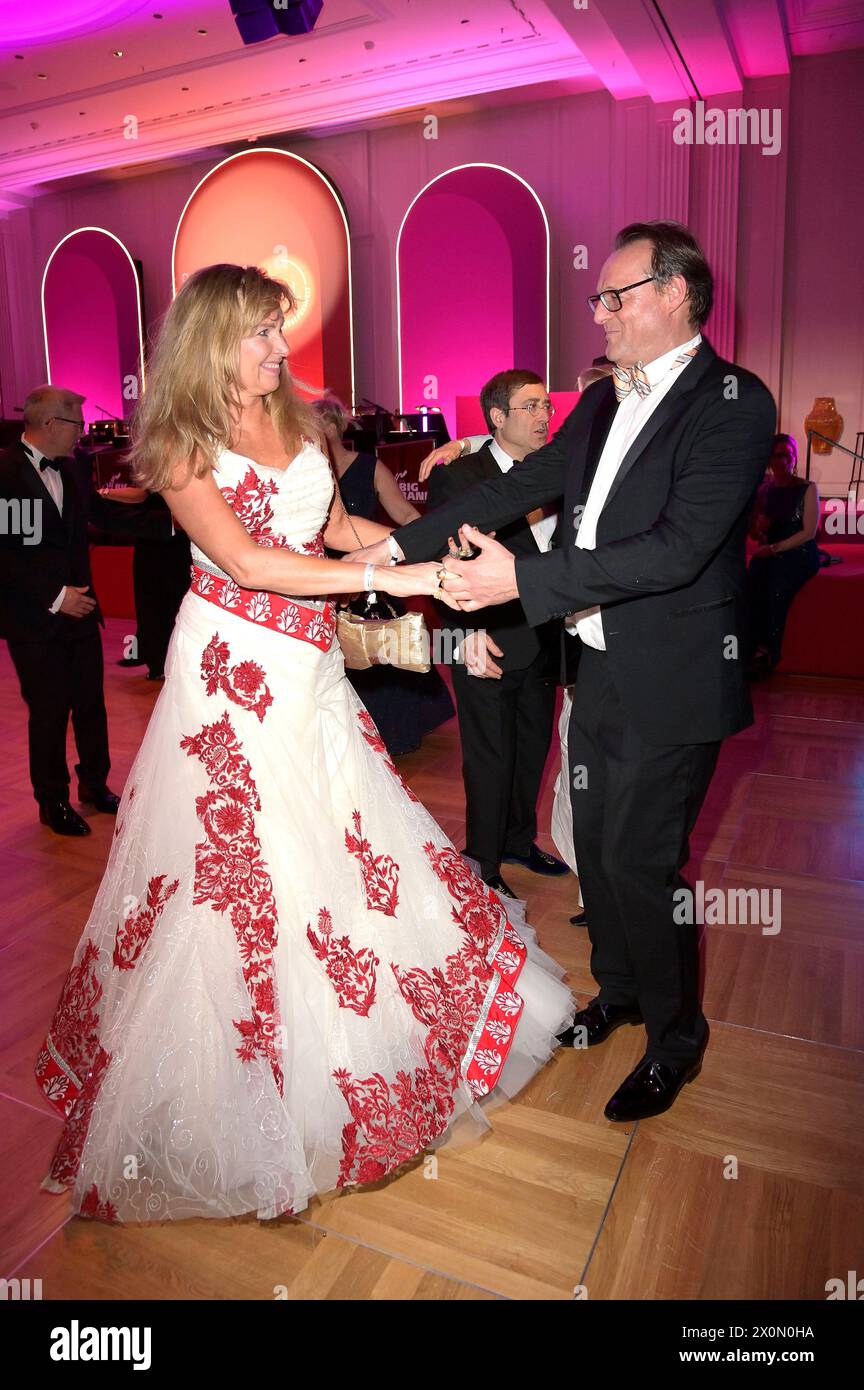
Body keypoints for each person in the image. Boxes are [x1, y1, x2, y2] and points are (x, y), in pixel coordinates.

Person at [34, 264, 574, 1223]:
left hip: (312, 668)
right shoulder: (181, 443)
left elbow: (335, 527)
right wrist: (386, 579)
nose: (281, 350)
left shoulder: (302, 419)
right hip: (233, 669)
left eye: (280, 332)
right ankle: (245, 1102)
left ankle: (366, 1042)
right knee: (241, 873)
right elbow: (245, 562)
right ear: (211, 341)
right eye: (261, 335)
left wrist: (419, 563)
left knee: (349, 835)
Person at [350, 221, 776, 1123]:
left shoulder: (734, 402)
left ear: (675, 295)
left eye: (616, 296)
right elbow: (508, 488)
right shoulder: (606, 401)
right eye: (599, 298)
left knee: (639, 859)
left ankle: (677, 1039)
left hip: (675, 674)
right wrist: (390, 552)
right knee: (599, 855)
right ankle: (620, 992)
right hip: (601, 667)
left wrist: (523, 577)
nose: (602, 312)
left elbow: (678, 550)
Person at [426, 369, 567, 898]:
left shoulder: (559, 471)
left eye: (547, 406)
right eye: (530, 407)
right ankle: (482, 861)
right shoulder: (459, 477)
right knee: (489, 755)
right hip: (483, 637)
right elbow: (443, 562)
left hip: (545, 638)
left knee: (532, 748)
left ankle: (516, 841)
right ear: (497, 419)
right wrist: (462, 635)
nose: (544, 416)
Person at [0, 388, 125, 835]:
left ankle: (94, 783)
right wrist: (56, 597)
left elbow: (94, 522)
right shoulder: (7, 472)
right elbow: (11, 555)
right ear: (51, 424)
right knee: (50, 710)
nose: (82, 434)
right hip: (35, 620)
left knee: (91, 704)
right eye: (77, 425)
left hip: (82, 611)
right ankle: (51, 799)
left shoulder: (71, 470)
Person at [312, 395, 455, 756]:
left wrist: (431, 540)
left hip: (374, 576)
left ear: (332, 427)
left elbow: (405, 515)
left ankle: (394, 731)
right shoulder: (311, 471)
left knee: (382, 655)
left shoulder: (369, 467)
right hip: (325, 579)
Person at [746, 433, 820, 675]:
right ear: (770, 460)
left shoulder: (807, 489)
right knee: (753, 577)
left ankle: (770, 652)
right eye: (776, 456)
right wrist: (760, 529)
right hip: (773, 551)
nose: (781, 461)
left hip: (800, 552)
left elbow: (808, 533)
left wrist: (774, 548)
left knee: (776, 583)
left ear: (794, 458)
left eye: (787, 455)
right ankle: (750, 648)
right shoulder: (765, 491)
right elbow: (757, 534)